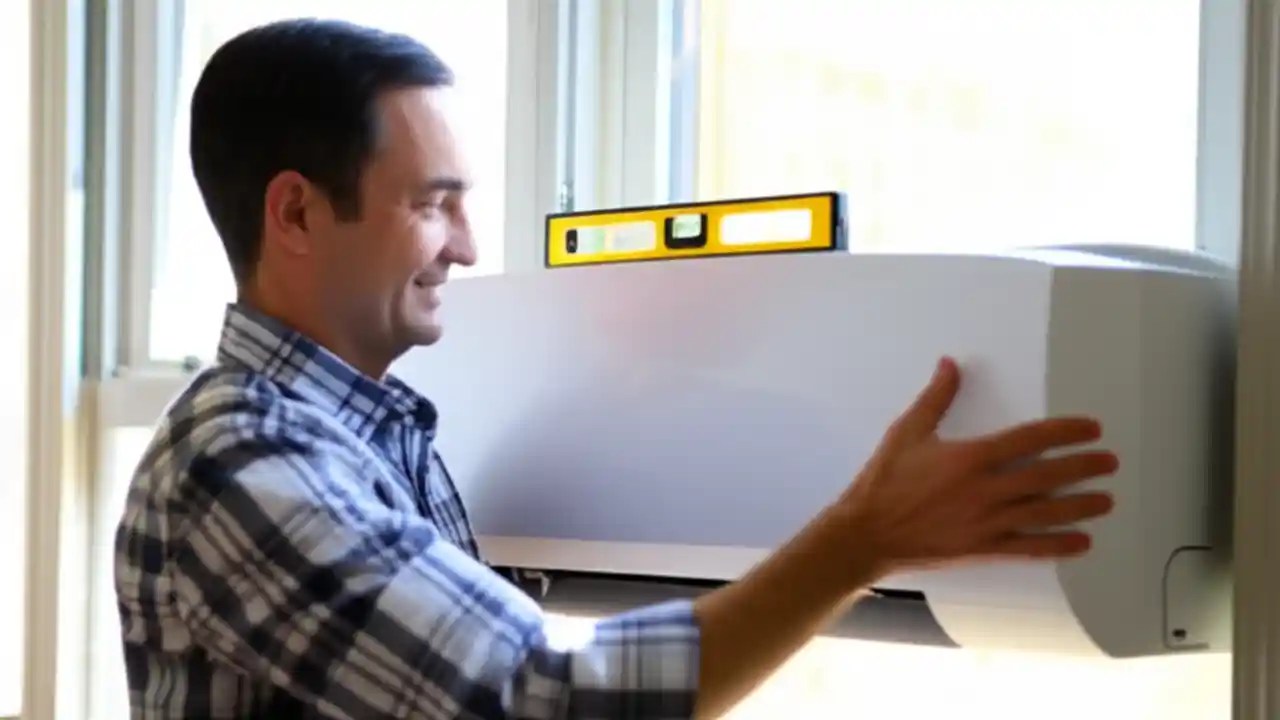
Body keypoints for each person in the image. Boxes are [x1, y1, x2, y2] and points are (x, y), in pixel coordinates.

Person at [113, 17, 1118, 720]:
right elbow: (541, 701)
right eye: (432, 203)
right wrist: (863, 540)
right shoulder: (239, 459)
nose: (465, 247)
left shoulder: (369, 435)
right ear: (294, 213)